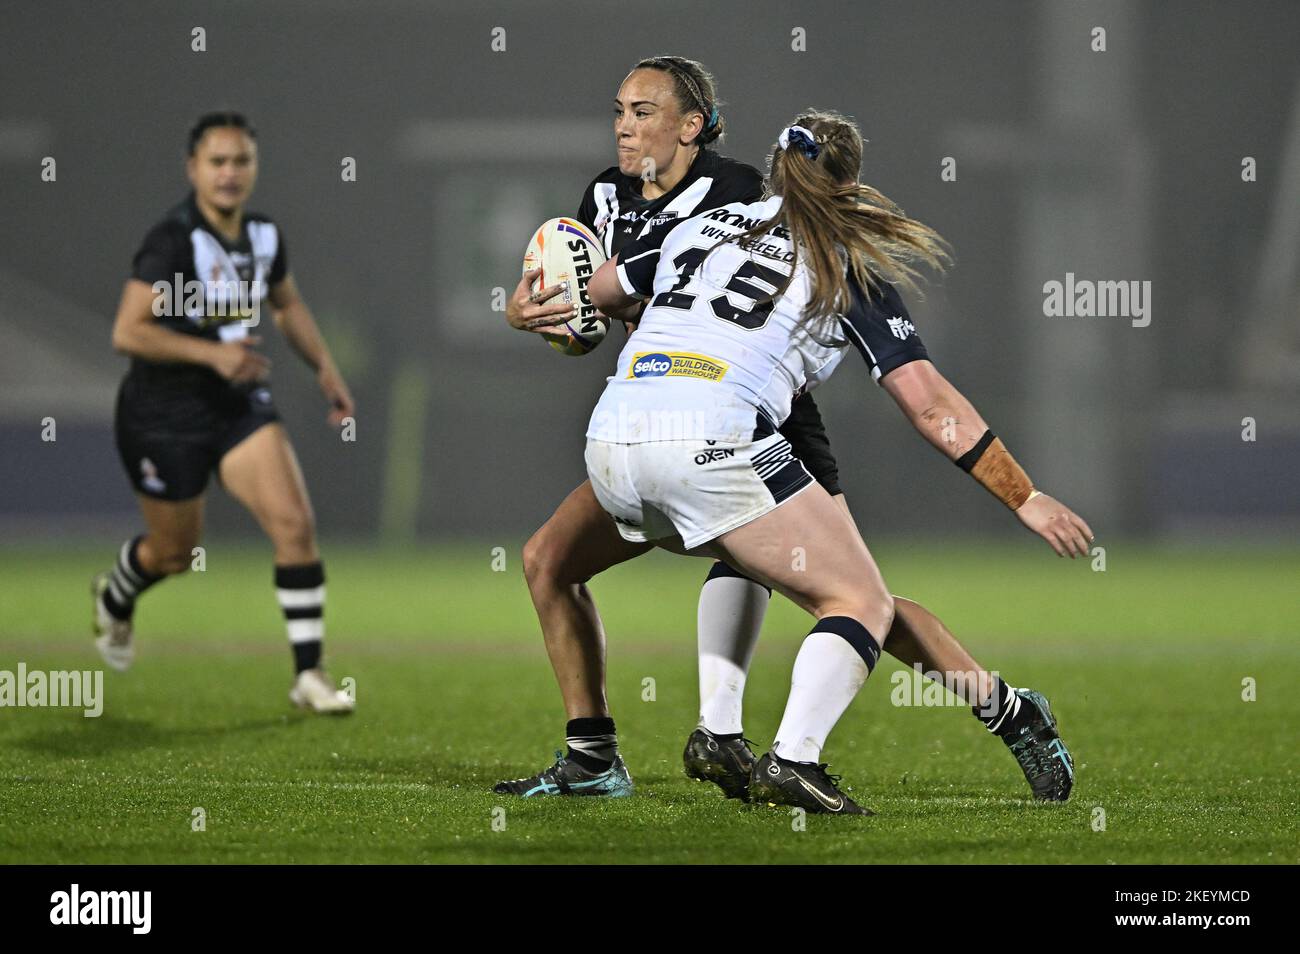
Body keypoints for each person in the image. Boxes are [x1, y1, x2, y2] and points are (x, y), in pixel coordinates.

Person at [498, 59, 1078, 805]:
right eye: (623, 111)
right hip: (722, 430)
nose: (625, 126)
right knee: (863, 602)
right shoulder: (845, 261)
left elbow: (595, 294)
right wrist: (1023, 496)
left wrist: (527, 311)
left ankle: (711, 733)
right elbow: (932, 406)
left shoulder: (704, 219)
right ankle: (806, 753)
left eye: (642, 111)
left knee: (591, 557)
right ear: (850, 185)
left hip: (623, 430)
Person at [92, 111, 356, 714]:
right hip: (162, 415)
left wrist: (325, 368)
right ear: (193, 169)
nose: (230, 173)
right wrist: (212, 354)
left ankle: (308, 675)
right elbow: (127, 332)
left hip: (236, 406)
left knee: (294, 526)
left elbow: (286, 305)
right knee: (174, 554)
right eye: (217, 162)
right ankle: (116, 594)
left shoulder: (263, 235)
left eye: (241, 161)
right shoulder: (172, 240)